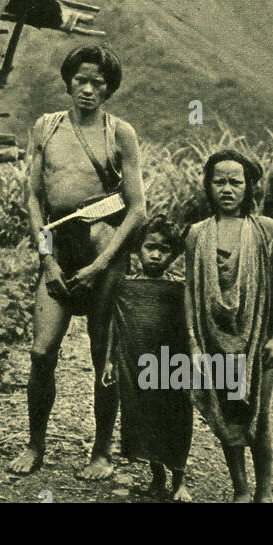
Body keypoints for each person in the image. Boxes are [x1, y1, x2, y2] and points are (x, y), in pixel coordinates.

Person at [7, 44, 146, 479]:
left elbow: (137, 208)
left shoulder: (118, 132)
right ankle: (35, 445)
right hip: (58, 253)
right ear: (68, 81)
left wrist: (101, 265)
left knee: (103, 357)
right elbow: (32, 196)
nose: (87, 90)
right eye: (81, 80)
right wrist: (47, 262)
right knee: (41, 351)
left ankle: (102, 452)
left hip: (104, 254)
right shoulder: (46, 128)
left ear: (109, 89)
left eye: (97, 83)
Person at [182, 150, 273, 502]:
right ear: (208, 186)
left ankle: (264, 492)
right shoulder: (198, 234)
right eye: (219, 182)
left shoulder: (264, 229)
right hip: (214, 336)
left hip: (257, 339)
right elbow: (190, 291)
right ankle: (240, 489)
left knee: (258, 415)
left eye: (235, 182)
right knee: (227, 412)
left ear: (249, 187)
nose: (226, 189)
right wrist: (196, 344)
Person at [104, 214, 192, 501]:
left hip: (172, 365)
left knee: (176, 417)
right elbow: (114, 326)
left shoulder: (180, 289)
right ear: (136, 249)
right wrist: (109, 360)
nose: (155, 254)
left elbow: (190, 328)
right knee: (144, 416)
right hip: (137, 366)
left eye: (163, 249)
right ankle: (157, 477)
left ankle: (179, 481)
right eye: (149, 247)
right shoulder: (126, 286)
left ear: (173, 254)